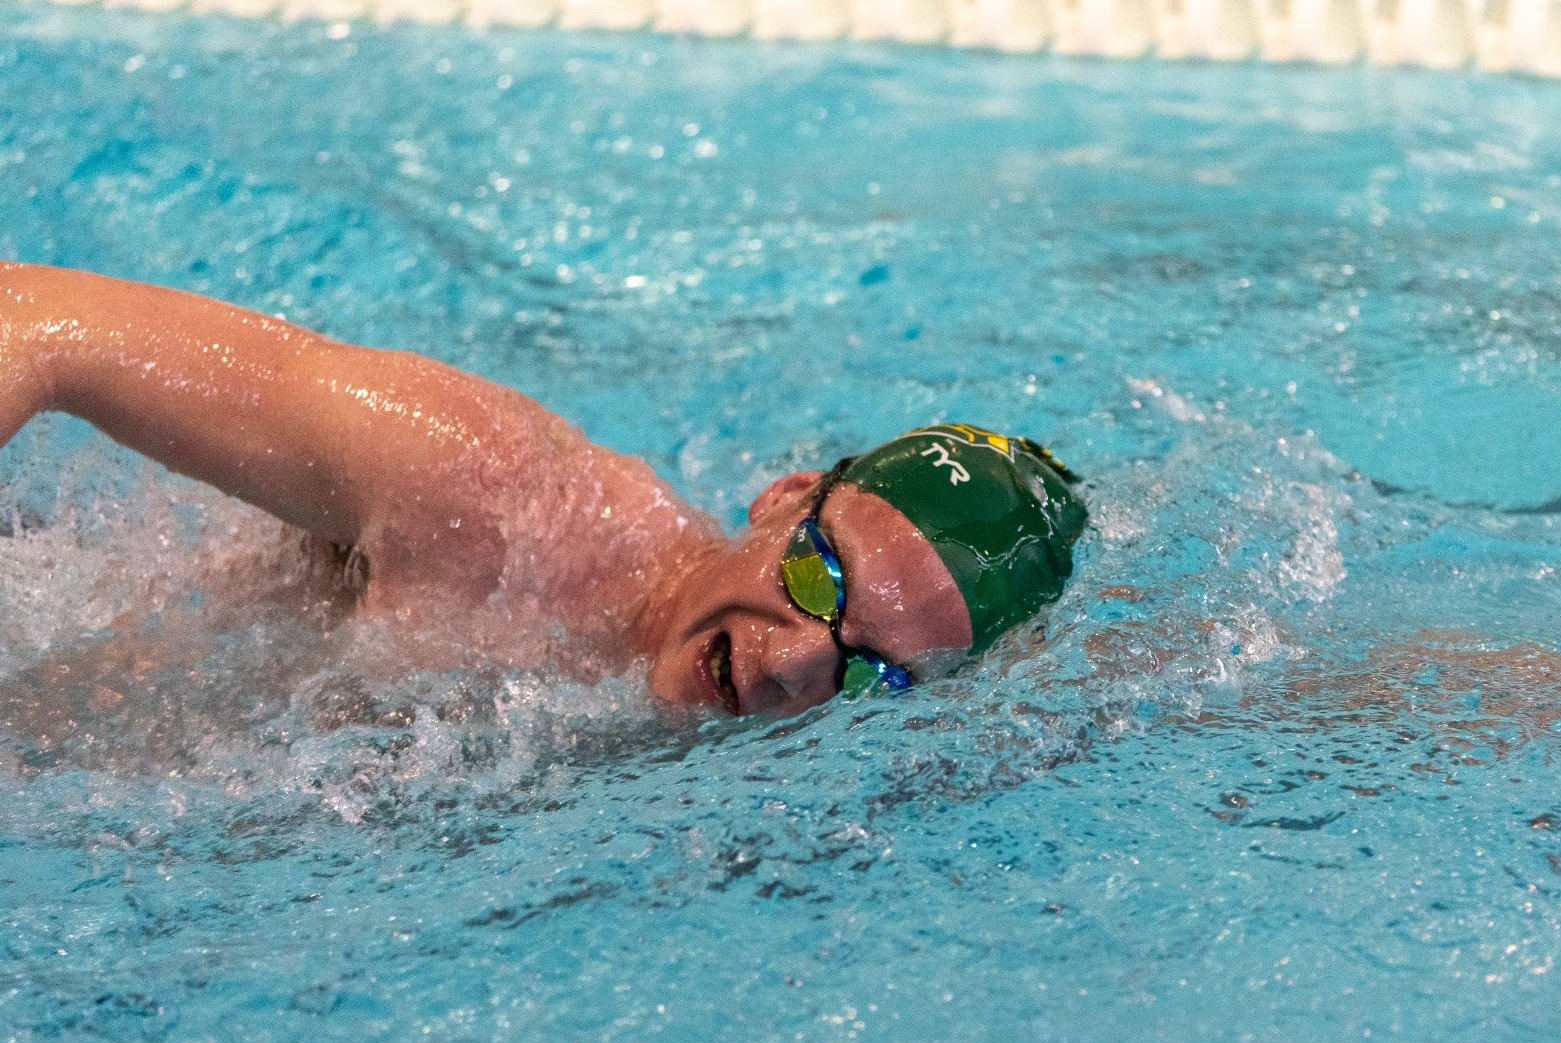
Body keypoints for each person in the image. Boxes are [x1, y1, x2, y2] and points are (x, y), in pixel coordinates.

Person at [0, 262, 1088, 717]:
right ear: (780, 498)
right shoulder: (487, 497)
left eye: (879, 675)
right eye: (818, 573)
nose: (802, 660)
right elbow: (39, 324)